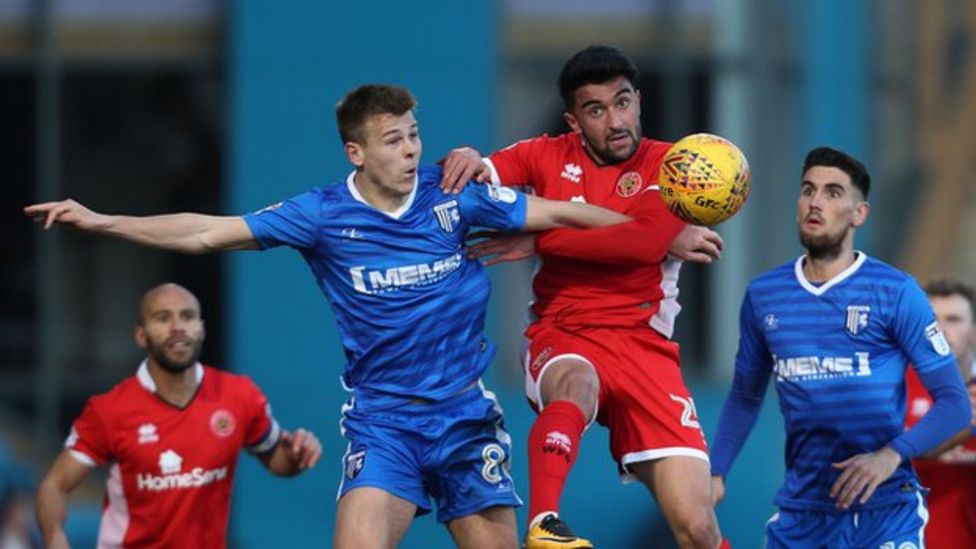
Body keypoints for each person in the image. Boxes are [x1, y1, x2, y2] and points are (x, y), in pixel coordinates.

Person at [26, 84, 633, 549]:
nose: (412, 148)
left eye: (415, 134)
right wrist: (104, 220)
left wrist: (658, 233)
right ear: (357, 151)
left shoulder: (454, 194)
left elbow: (563, 215)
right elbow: (207, 233)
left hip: (464, 419)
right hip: (384, 424)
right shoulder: (320, 215)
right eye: (393, 139)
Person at [441, 45, 727, 549]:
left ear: (638, 101)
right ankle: (545, 523)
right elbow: (477, 182)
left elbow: (639, 244)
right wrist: (468, 157)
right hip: (565, 331)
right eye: (596, 110)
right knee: (575, 385)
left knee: (699, 528)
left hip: (646, 347)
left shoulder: (673, 165)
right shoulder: (544, 154)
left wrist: (539, 235)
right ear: (575, 121)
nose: (614, 120)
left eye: (622, 103)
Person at [709, 147, 972, 548]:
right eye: (808, 190)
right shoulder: (765, 295)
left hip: (886, 514)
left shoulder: (896, 291)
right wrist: (716, 472)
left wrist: (891, 455)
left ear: (858, 213)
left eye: (833, 193)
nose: (816, 202)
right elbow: (745, 396)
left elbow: (954, 404)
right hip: (803, 514)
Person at [34, 283, 322, 548]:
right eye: (162, 318)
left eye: (187, 317)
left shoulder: (239, 395)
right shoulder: (109, 410)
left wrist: (297, 456)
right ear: (141, 336)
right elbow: (54, 486)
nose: (177, 327)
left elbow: (275, 459)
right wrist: (55, 539)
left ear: (201, 328)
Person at [903, 276, 976, 548]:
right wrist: (964, 425)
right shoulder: (894, 389)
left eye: (954, 319)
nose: (941, 329)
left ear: (974, 331)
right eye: (932, 319)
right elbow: (886, 461)